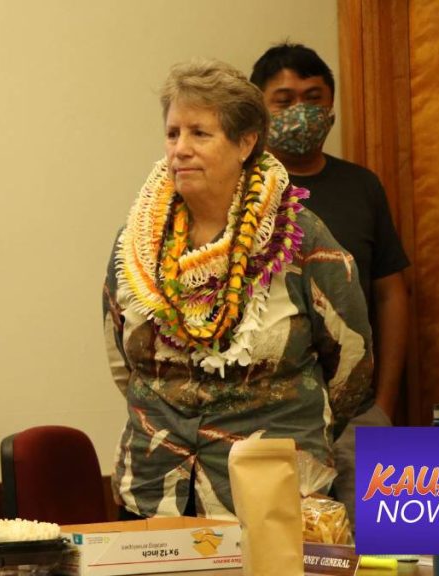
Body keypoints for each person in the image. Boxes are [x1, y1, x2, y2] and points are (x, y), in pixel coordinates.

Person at [103, 59, 372, 519]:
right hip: (153, 490)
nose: (180, 149)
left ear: (245, 143)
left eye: (199, 134)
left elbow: (352, 364)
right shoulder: (137, 241)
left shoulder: (301, 238)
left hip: (272, 494)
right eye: (173, 133)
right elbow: (122, 359)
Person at [250, 43, 410, 521]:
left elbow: (390, 293)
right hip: (274, 420)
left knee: (384, 544)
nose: (301, 110)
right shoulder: (244, 190)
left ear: (332, 103)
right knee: (290, 547)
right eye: (284, 100)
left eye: (313, 97)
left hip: (360, 415)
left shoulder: (362, 185)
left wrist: (383, 404)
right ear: (258, 109)